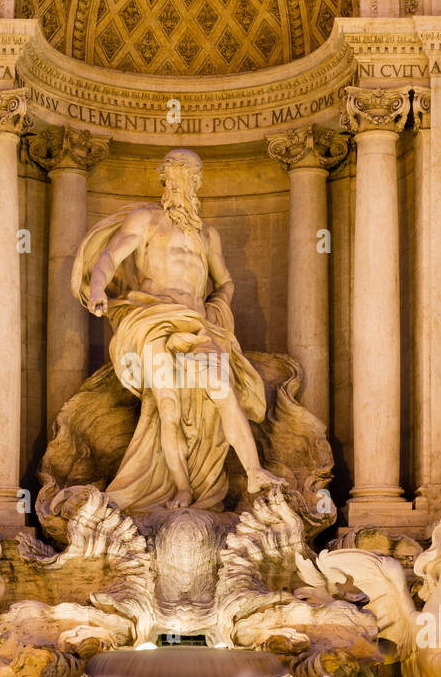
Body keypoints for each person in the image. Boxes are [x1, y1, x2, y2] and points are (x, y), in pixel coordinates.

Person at [73, 149, 283, 511]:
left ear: (197, 184)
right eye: (174, 177)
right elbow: (111, 256)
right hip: (151, 317)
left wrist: (218, 308)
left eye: (189, 178)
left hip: (198, 323)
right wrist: (96, 287)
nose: (181, 185)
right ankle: (182, 490)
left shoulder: (208, 234)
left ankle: (254, 471)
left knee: (221, 388)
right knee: (167, 403)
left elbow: (226, 281)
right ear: (165, 182)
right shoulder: (146, 220)